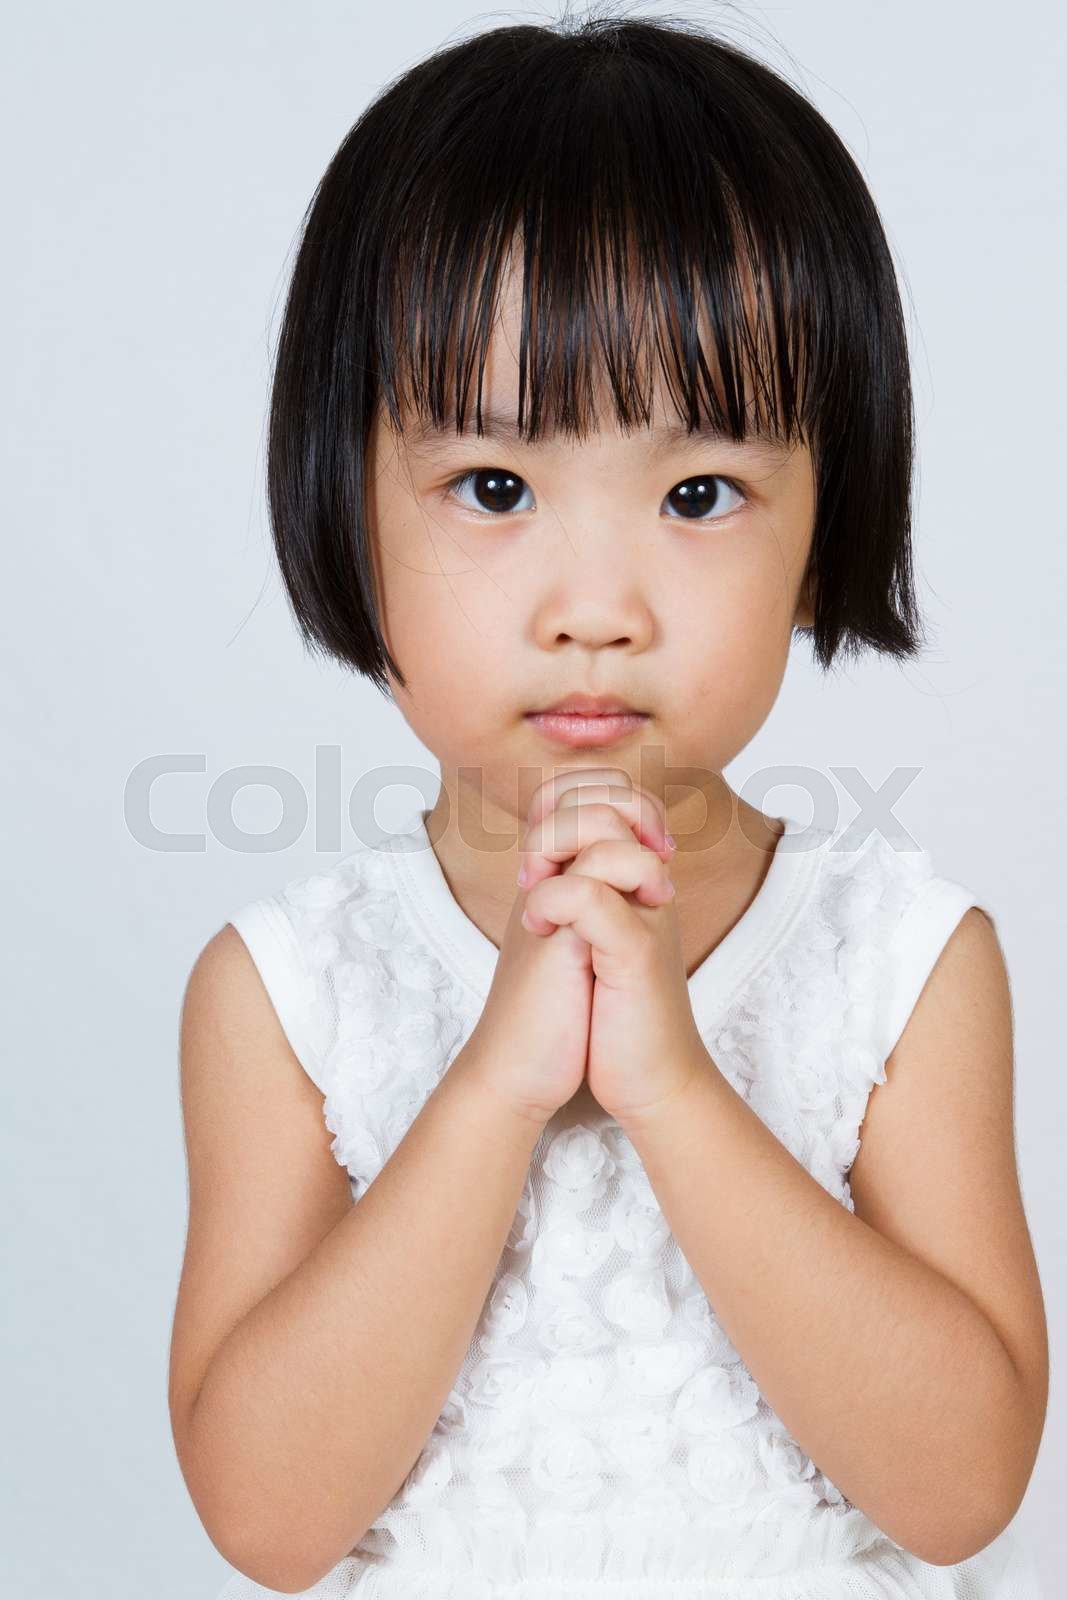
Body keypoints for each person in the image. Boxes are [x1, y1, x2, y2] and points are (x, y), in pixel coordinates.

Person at [169, 9, 1049, 1599]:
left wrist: (676, 1091)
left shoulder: (903, 962)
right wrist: (494, 1091)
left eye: (698, 495)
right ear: (345, 507)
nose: (596, 609)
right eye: (494, 488)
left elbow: (961, 1491)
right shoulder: (286, 992)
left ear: (826, 523)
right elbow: (266, 1520)